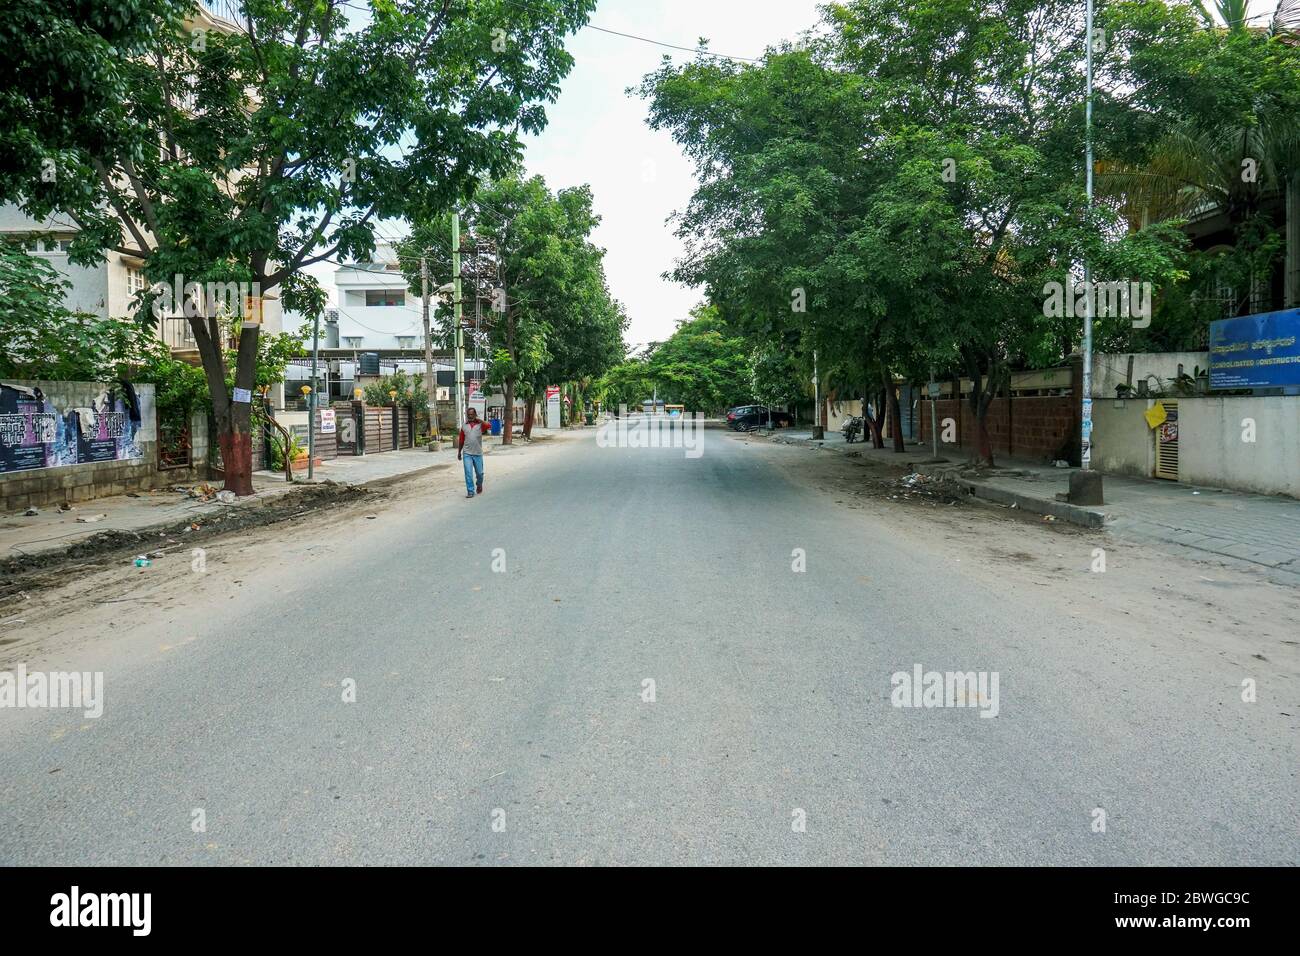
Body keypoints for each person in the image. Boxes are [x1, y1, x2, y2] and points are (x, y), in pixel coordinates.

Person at [457, 408, 489, 498]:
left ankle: (479, 484)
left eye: (472, 414)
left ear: (475, 415)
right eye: (469, 415)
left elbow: (488, 425)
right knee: (468, 473)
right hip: (467, 453)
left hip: (478, 453)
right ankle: (470, 491)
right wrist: (459, 452)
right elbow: (461, 440)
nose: (470, 416)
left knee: (480, 473)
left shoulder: (480, 425)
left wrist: (480, 420)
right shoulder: (464, 426)